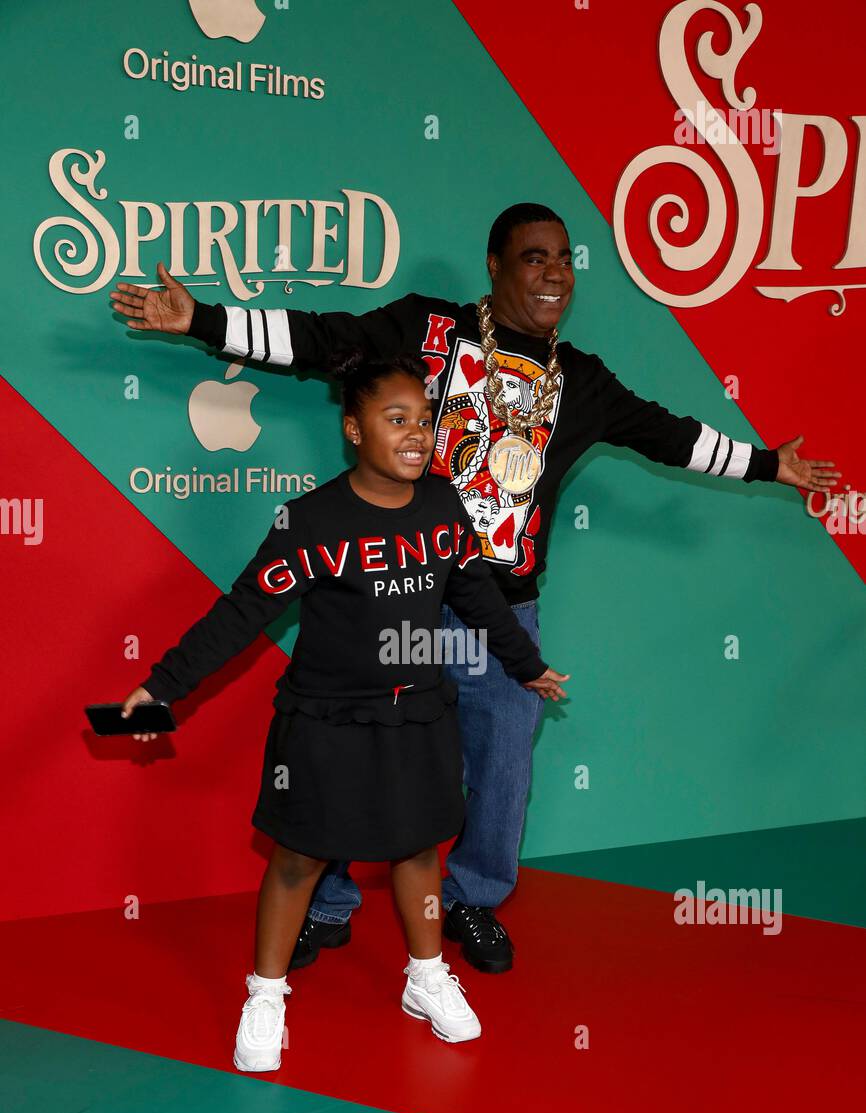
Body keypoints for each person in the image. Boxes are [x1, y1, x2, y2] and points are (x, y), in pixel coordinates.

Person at [109, 202, 839, 976]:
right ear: (495, 266)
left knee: (501, 763)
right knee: (358, 750)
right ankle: (326, 905)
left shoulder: (581, 381)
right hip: (402, 599)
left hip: (501, 610)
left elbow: (670, 434)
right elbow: (320, 340)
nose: (554, 272)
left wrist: (767, 464)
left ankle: (471, 899)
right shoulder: (428, 331)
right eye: (534, 257)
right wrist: (204, 321)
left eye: (564, 258)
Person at [120, 352, 569, 1070]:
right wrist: (165, 684)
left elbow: (477, 596)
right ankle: (266, 993)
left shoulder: (445, 506)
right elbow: (244, 611)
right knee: (299, 857)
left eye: (424, 420)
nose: (417, 434)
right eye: (397, 421)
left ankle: (425, 978)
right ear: (353, 430)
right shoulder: (313, 520)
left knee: (420, 849)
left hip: (418, 713)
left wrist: (527, 664)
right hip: (326, 718)